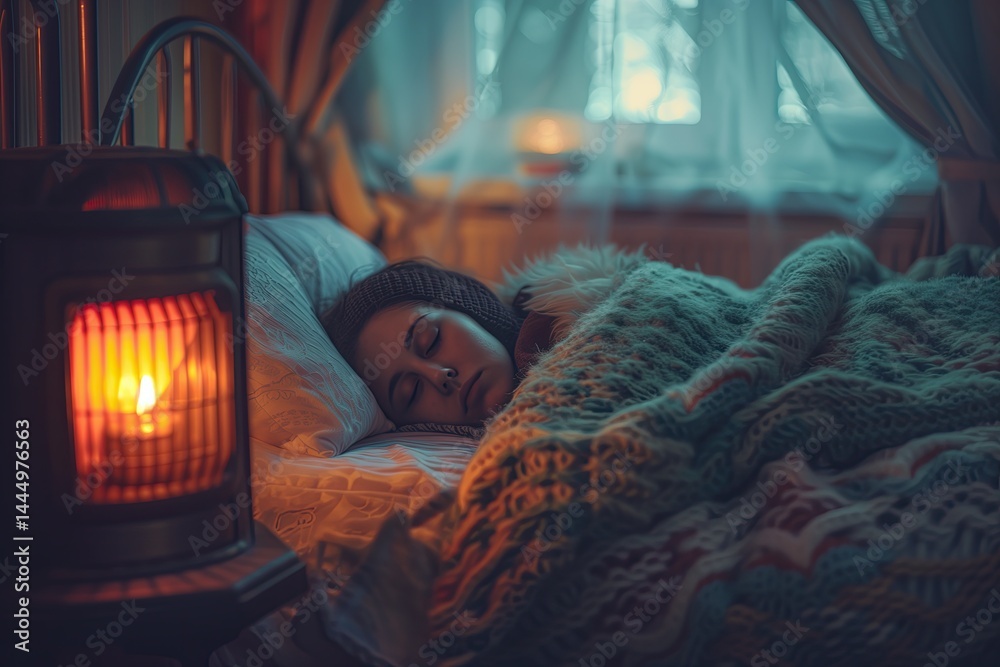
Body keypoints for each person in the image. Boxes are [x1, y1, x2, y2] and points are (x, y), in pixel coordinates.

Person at [322, 260, 557, 430]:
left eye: (431, 341)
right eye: (412, 392)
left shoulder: (567, 314)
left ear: (469, 306)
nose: (439, 376)